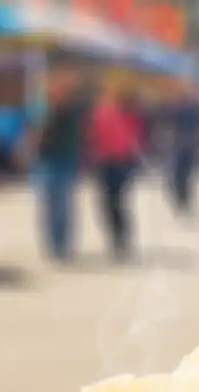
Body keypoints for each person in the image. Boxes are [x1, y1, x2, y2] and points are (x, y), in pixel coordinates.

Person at [33, 70, 92, 262]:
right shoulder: (43, 111)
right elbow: (35, 135)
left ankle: (63, 243)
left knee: (64, 204)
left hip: (65, 161)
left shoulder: (72, 113)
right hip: (47, 161)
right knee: (49, 204)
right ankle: (53, 244)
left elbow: (78, 139)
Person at [88, 84, 142, 260]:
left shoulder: (128, 114)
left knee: (118, 201)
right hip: (104, 163)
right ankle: (114, 239)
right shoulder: (99, 113)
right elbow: (91, 136)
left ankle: (122, 239)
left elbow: (136, 136)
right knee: (106, 204)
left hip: (122, 162)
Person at [167, 83, 199, 217]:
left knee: (183, 176)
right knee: (179, 176)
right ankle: (182, 201)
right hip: (183, 144)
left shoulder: (193, 109)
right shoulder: (177, 108)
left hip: (187, 145)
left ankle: (183, 201)